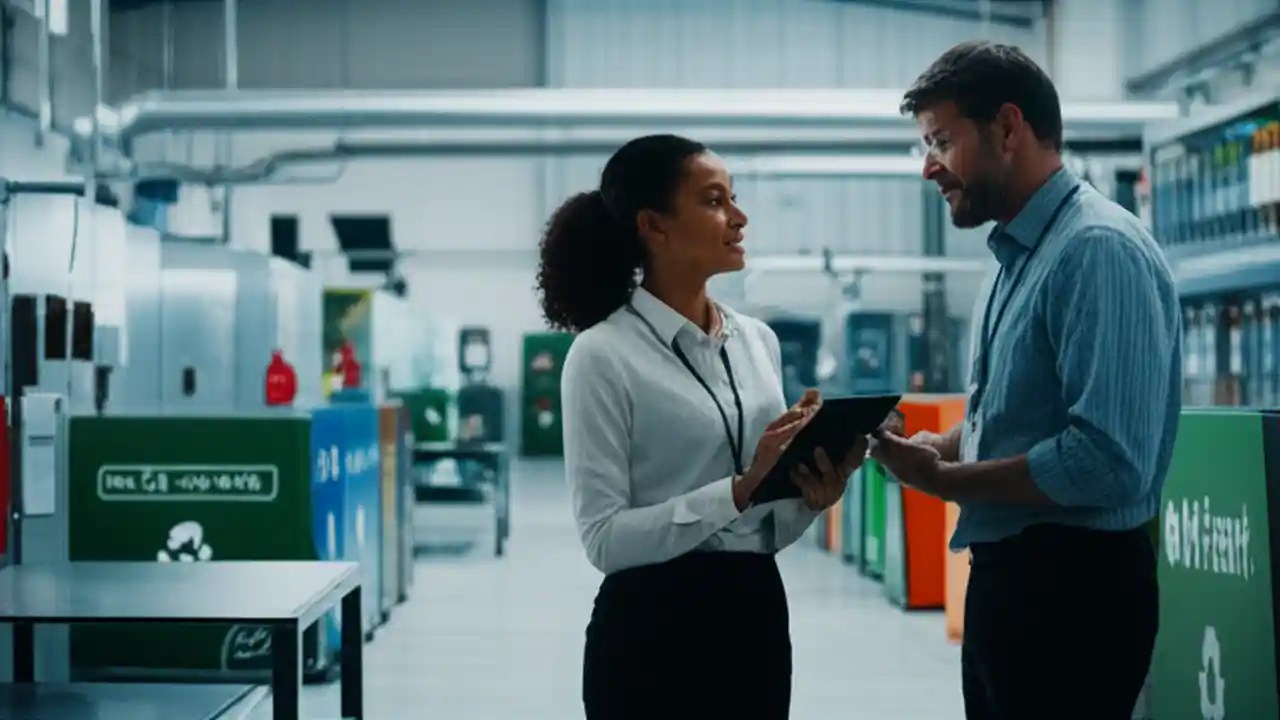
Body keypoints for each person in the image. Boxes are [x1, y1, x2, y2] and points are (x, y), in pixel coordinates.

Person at [870, 41, 1182, 719]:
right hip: (1011, 581)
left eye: (943, 141)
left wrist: (946, 482)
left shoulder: (1097, 251)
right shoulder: (1017, 257)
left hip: (1076, 594)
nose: (928, 166)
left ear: (1009, 128)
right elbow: (1011, 414)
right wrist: (938, 447)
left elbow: (1106, 461)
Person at [538, 134, 867, 719]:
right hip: (649, 632)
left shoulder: (757, 343)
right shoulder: (602, 355)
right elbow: (605, 541)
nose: (739, 217)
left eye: (734, 198)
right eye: (715, 201)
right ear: (654, 226)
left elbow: (761, 529)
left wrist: (812, 495)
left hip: (755, 618)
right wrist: (741, 489)